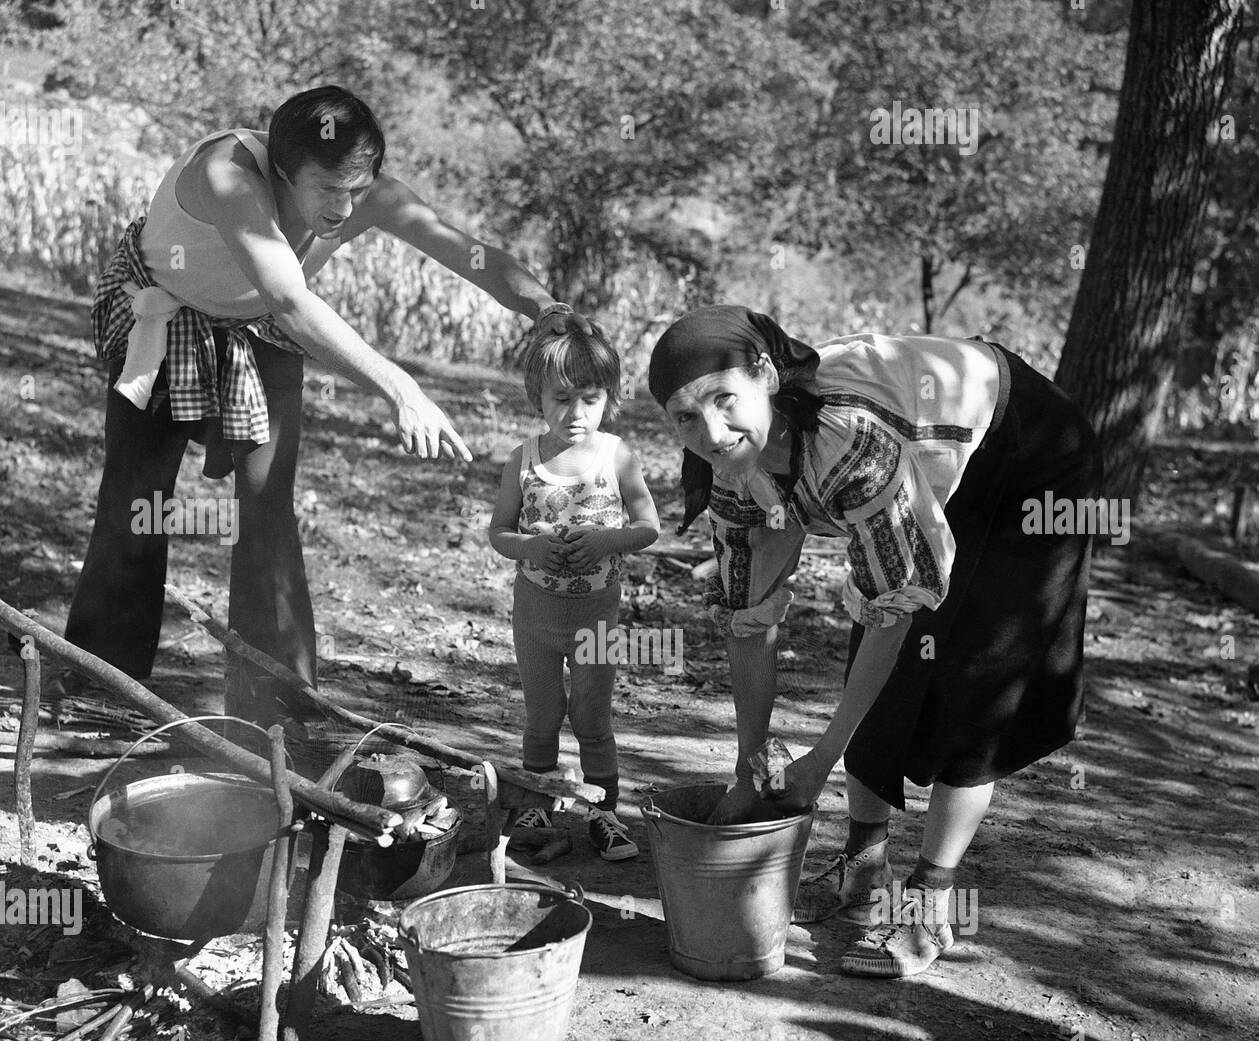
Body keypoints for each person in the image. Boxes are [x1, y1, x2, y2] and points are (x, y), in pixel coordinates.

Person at [63, 85, 568, 725]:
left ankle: (272, 704)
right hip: (166, 320)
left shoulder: (362, 190)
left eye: (359, 189)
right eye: (329, 190)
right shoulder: (226, 172)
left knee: (267, 504)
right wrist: (400, 387)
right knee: (139, 501)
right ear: (280, 170)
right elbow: (291, 298)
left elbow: (465, 253)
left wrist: (549, 309)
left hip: (259, 330)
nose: (345, 207)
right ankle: (100, 693)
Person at [648, 305, 1101, 978]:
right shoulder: (732, 470)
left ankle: (931, 900)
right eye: (686, 418)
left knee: (974, 676)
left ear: (765, 376)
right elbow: (752, 620)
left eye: (724, 401)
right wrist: (752, 757)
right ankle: (861, 873)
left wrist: (821, 757)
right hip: (925, 456)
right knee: (881, 635)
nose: (711, 434)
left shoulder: (848, 446)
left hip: (1027, 455)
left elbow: (893, 614)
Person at [488, 316, 660, 861]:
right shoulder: (525, 459)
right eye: (561, 398)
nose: (576, 412)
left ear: (608, 398)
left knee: (592, 717)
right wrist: (530, 548)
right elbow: (499, 532)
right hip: (535, 618)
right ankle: (539, 803)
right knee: (542, 715)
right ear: (536, 397)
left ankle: (603, 812)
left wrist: (608, 541)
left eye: (590, 398)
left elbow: (649, 526)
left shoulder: (617, 456)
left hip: (596, 619)